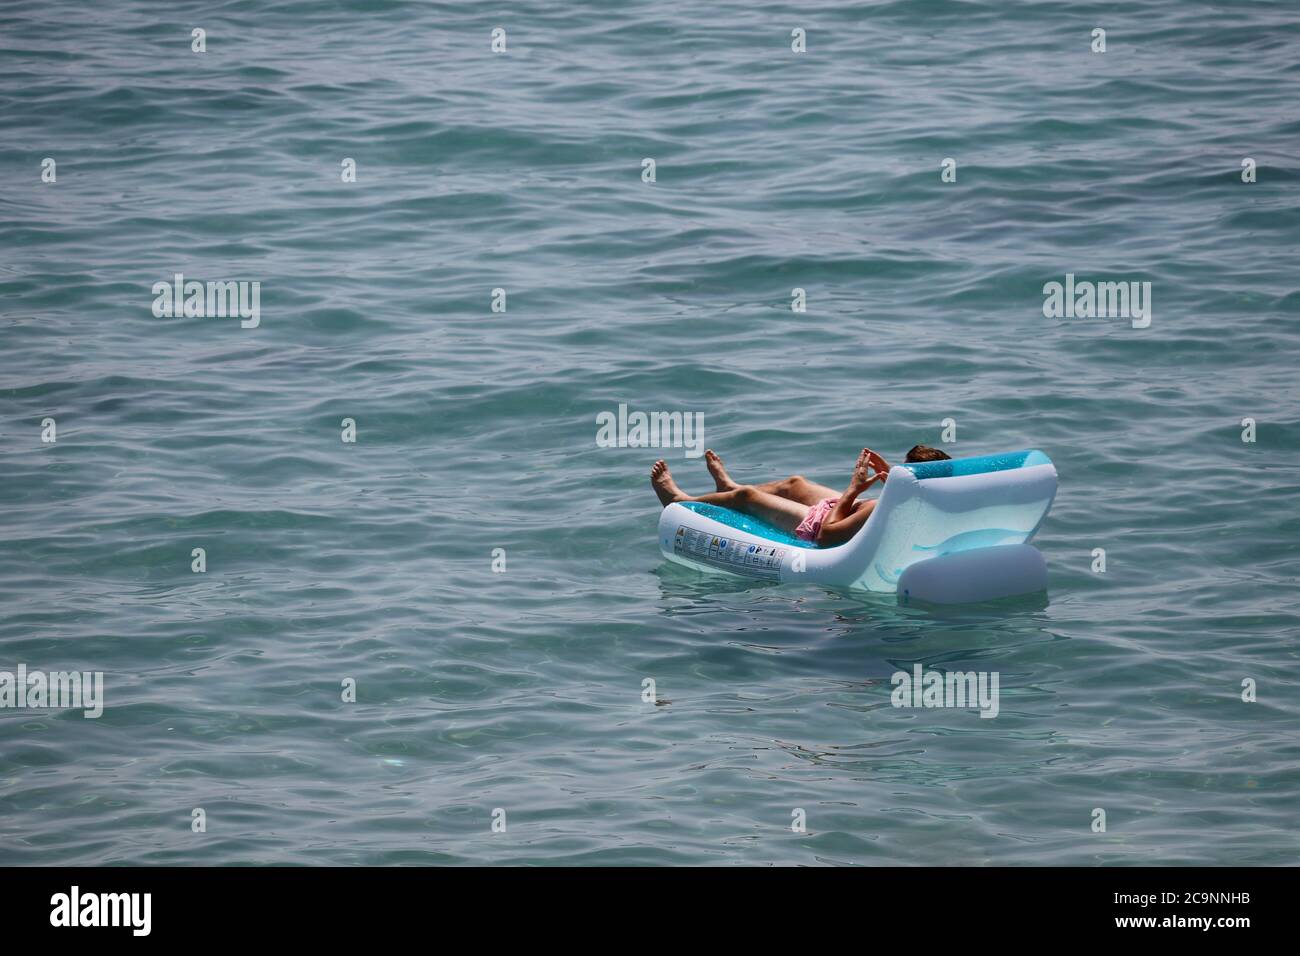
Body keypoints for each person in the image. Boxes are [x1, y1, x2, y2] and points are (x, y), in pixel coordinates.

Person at [650, 445, 952, 547]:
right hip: (846, 508)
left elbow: (827, 535)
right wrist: (888, 478)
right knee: (795, 483)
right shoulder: (926, 499)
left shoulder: (887, 508)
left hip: (817, 525)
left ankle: (679, 501)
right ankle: (725, 488)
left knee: (747, 497)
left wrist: (853, 489)